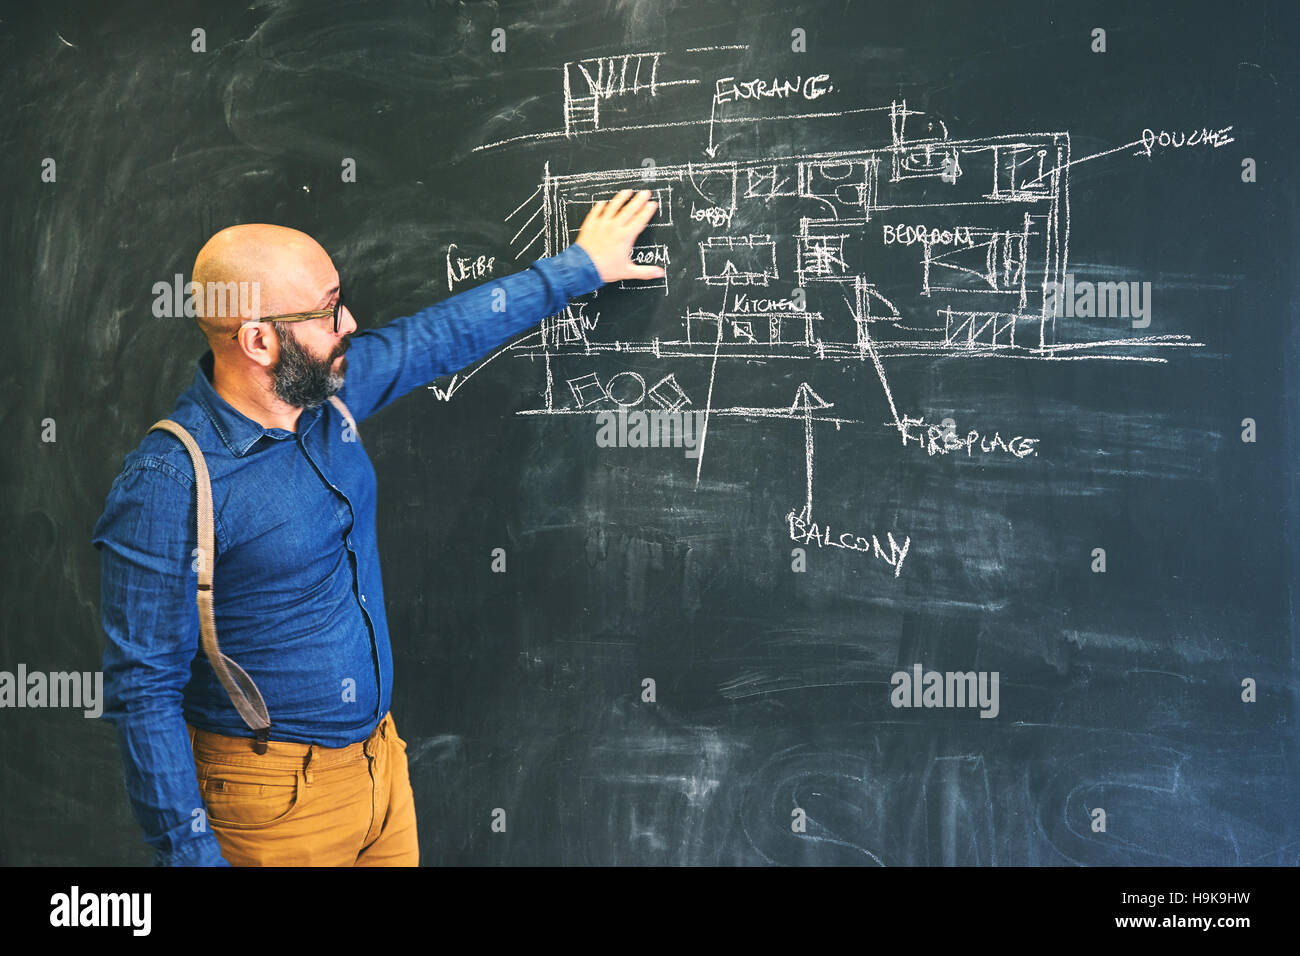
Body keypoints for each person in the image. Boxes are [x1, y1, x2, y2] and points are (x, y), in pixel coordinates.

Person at [92, 190, 663, 865]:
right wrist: (192, 857)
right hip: (271, 806)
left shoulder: (330, 399)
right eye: (328, 309)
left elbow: (439, 335)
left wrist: (581, 266)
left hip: (380, 772)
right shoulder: (169, 483)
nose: (350, 322)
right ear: (257, 339)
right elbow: (143, 690)